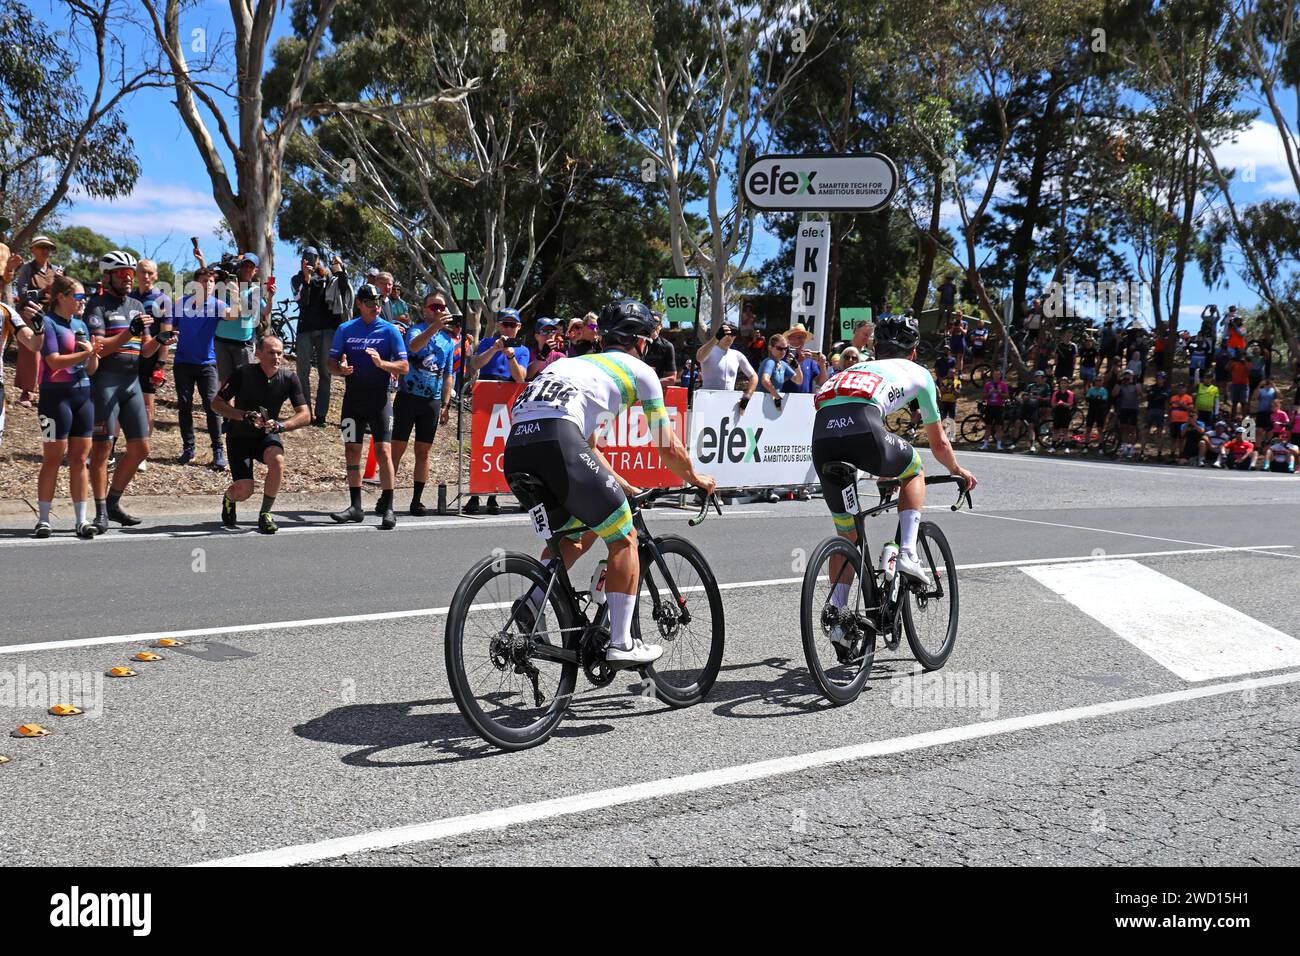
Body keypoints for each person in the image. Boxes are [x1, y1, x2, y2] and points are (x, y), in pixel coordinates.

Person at [505, 299, 716, 666]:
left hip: (518, 449)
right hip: (558, 442)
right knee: (623, 536)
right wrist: (697, 478)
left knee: (574, 533)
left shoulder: (573, 364)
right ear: (643, 342)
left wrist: (623, 485)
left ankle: (532, 602)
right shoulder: (641, 371)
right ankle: (622, 642)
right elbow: (667, 444)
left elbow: (585, 447)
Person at [810, 312, 978, 598]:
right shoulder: (919, 373)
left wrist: (884, 469)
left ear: (874, 350)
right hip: (865, 429)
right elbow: (939, 444)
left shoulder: (856, 369)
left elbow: (850, 415)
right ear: (913, 353)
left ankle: (837, 613)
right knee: (914, 468)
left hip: (823, 438)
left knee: (847, 535)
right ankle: (908, 554)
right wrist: (957, 469)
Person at [9, 276, 99, 537]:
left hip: (83, 398)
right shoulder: (47, 323)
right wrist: (86, 353)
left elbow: (91, 369)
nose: (82, 302)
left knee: (80, 459)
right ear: (62, 297)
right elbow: (54, 362)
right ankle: (44, 519)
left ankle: (81, 520)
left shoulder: (80, 324)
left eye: (84, 298)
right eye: (79, 297)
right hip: (54, 400)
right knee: (52, 458)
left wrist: (93, 354)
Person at [85, 251, 159, 532]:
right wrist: (129, 331)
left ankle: (114, 502)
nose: (128, 278)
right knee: (103, 448)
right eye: (121, 273)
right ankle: (100, 510)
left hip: (131, 382)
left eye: (130, 273)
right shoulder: (97, 305)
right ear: (107, 277)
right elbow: (100, 348)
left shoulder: (138, 304)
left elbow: (146, 348)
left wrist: (162, 339)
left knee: (141, 448)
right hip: (106, 383)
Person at [327, 283, 409, 528]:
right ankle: (355, 506)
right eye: (370, 302)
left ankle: (389, 507)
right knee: (351, 451)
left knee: (384, 452)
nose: (375, 306)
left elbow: (404, 367)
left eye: (378, 302)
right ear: (359, 304)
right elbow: (330, 364)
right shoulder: (345, 329)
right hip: (353, 400)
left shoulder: (389, 330)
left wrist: (382, 363)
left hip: (379, 400)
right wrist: (340, 370)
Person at [211, 336, 310, 533]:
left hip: (266, 435)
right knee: (245, 490)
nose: (276, 357)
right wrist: (243, 416)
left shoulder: (289, 378)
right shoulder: (243, 373)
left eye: (280, 353)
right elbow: (217, 404)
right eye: (271, 352)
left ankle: (265, 514)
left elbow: (306, 415)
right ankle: (230, 497)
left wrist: (281, 425)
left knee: (278, 460)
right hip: (239, 437)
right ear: (258, 353)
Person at [391, 291, 455, 516]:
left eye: (442, 307)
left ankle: (416, 500)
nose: (439, 311)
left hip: (432, 401)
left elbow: (448, 374)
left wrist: (446, 404)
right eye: (434, 307)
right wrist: (435, 327)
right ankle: (386, 496)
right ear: (424, 309)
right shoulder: (415, 330)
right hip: (408, 397)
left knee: (423, 452)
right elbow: (415, 347)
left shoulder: (449, 341)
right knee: (397, 448)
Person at [464, 307, 530, 515]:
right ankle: (475, 494)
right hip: (486, 395)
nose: (508, 329)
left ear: (518, 328)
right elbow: (474, 364)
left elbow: (520, 377)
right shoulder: (486, 343)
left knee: (502, 447)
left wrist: (510, 356)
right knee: (481, 444)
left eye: (513, 325)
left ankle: (494, 496)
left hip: (508, 396)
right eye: (505, 324)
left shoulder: (522, 350)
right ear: (499, 326)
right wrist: (493, 349)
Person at [172, 267, 228, 469]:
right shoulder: (182, 304)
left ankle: (218, 450)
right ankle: (189, 448)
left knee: (213, 406)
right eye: (205, 280)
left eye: (212, 281)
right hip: (183, 363)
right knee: (184, 405)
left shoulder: (218, 305)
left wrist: (237, 293)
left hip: (207, 364)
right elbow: (171, 326)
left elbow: (233, 315)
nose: (209, 284)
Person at [292, 248, 342, 426]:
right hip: (305, 329)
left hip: (326, 329)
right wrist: (306, 279)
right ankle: (305, 413)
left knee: (325, 372)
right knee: (302, 372)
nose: (310, 261)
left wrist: (340, 268)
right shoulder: (296, 279)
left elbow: (341, 291)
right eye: (306, 258)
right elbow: (302, 301)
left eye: (313, 258)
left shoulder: (327, 276)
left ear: (319, 259)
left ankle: (321, 415)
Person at [12, 234, 60, 409]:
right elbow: (23, 294)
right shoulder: (27, 269)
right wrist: (43, 291)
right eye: (41, 247)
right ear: (33, 250)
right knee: (30, 353)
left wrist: (60, 283)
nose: (45, 250)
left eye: (47, 248)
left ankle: (51, 390)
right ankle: (27, 390)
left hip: (52, 314)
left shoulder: (57, 270)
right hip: (31, 313)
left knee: (54, 351)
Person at [133, 259, 174, 454]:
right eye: (142, 272)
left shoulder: (162, 300)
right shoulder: (129, 297)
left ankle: (142, 450)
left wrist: (160, 364)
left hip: (151, 357)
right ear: (136, 274)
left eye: (150, 273)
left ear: (156, 276)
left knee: (147, 404)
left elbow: (166, 334)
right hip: (128, 355)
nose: (146, 276)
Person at [213, 253, 268, 383]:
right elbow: (206, 281)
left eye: (251, 266)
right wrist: (203, 262)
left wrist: (235, 293)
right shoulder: (224, 283)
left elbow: (248, 310)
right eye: (244, 266)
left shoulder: (255, 290)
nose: (247, 269)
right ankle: (226, 404)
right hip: (221, 341)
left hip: (243, 344)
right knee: (224, 383)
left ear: (256, 270)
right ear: (239, 267)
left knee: (245, 382)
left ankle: (242, 404)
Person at [695, 321, 759, 408]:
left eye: (733, 335)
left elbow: (753, 376)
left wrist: (747, 396)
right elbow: (699, 357)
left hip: (728, 401)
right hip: (707, 400)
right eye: (726, 334)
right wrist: (716, 337)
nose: (730, 337)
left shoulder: (737, 355)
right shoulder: (710, 350)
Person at [758, 333, 804, 404]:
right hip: (761, 401)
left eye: (785, 349)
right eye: (779, 348)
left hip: (770, 402)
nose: (783, 352)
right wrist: (777, 397)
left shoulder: (783, 364)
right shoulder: (769, 362)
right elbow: (765, 380)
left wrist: (797, 366)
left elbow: (798, 381)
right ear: (770, 348)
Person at [1112, 369, 1142, 459]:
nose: (1127, 377)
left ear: (1132, 376)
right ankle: (1125, 446)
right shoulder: (1121, 384)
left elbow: (1140, 394)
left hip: (1133, 408)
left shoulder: (1136, 384)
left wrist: (1135, 384)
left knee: (1132, 429)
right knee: (1123, 427)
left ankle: (1131, 447)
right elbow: (1114, 394)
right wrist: (1118, 382)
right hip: (1123, 408)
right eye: (1126, 375)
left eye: (1129, 375)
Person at [643, 310, 678, 387]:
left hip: (653, 389)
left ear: (661, 326)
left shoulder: (667, 346)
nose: (653, 325)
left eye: (656, 322)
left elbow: (672, 379)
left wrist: (650, 383)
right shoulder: (635, 341)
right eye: (650, 321)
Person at [1141, 371, 1170, 460]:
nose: (1159, 380)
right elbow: (1148, 397)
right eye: (1158, 378)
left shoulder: (1166, 389)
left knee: (1160, 433)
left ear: (1164, 380)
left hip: (1160, 411)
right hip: (1150, 410)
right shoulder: (1151, 387)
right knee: (1146, 431)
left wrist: (1156, 396)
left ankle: (1159, 453)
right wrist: (1157, 396)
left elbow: (1165, 398)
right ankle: (1142, 452)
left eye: (1161, 378)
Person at [980, 368, 1011, 450]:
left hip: (999, 407)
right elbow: (983, 396)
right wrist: (990, 393)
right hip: (990, 406)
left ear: (1000, 375)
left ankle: (998, 445)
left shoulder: (1003, 385)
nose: (996, 376)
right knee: (988, 426)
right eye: (995, 374)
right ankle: (985, 444)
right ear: (992, 375)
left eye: (998, 375)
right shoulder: (988, 384)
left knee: (999, 427)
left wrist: (1000, 393)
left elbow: (1007, 396)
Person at [1167, 383, 1194, 461]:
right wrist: (1169, 418)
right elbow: (1170, 409)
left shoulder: (1188, 398)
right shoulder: (1173, 398)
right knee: (1173, 439)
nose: (1181, 389)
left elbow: (1191, 409)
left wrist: (1182, 405)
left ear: (1185, 389)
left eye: (1182, 388)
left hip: (1183, 422)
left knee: (1182, 439)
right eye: (1179, 388)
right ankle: (1172, 455)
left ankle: (1181, 455)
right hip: (1174, 421)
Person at [1048, 376, 1076, 453]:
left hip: (1066, 413)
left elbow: (1070, 404)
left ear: (1067, 384)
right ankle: (1053, 447)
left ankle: (1067, 447)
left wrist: (1063, 403)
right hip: (1057, 413)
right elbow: (1052, 404)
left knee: (1065, 431)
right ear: (1059, 384)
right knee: (1055, 430)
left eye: (1065, 383)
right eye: (1062, 383)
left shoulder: (1070, 393)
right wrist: (1057, 404)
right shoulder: (1055, 393)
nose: (1063, 384)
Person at [1227, 350, 1251, 418]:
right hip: (1235, 384)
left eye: (1243, 356)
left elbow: (1248, 371)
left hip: (1244, 385)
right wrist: (1231, 360)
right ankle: (1232, 418)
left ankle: (1245, 419)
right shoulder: (1235, 363)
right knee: (1234, 403)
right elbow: (1227, 368)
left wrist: (1244, 362)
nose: (1242, 357)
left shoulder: (1248, 363)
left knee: (1243, 403)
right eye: (1241, 356)